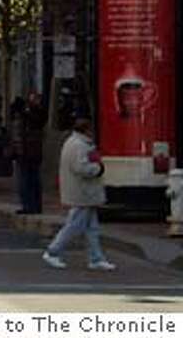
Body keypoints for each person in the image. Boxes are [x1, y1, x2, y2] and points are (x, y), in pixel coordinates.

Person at [42, 116, 116, 271]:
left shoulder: (73, 142)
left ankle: (96, 258)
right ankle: (53, 251)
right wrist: (98, 168)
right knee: (74, 225)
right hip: (83, 192)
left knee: (91, 227)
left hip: (82, 191)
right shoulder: (80, 146)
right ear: (87, 130)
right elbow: (81, 167)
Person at [15, 93, 48, 215]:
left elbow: (37, 121)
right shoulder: (27, 115)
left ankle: (31, 205)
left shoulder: (34, 115)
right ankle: (31, 205)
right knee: (29, 179)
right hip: (28, 151)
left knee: (29, 180)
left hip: (30, 151)